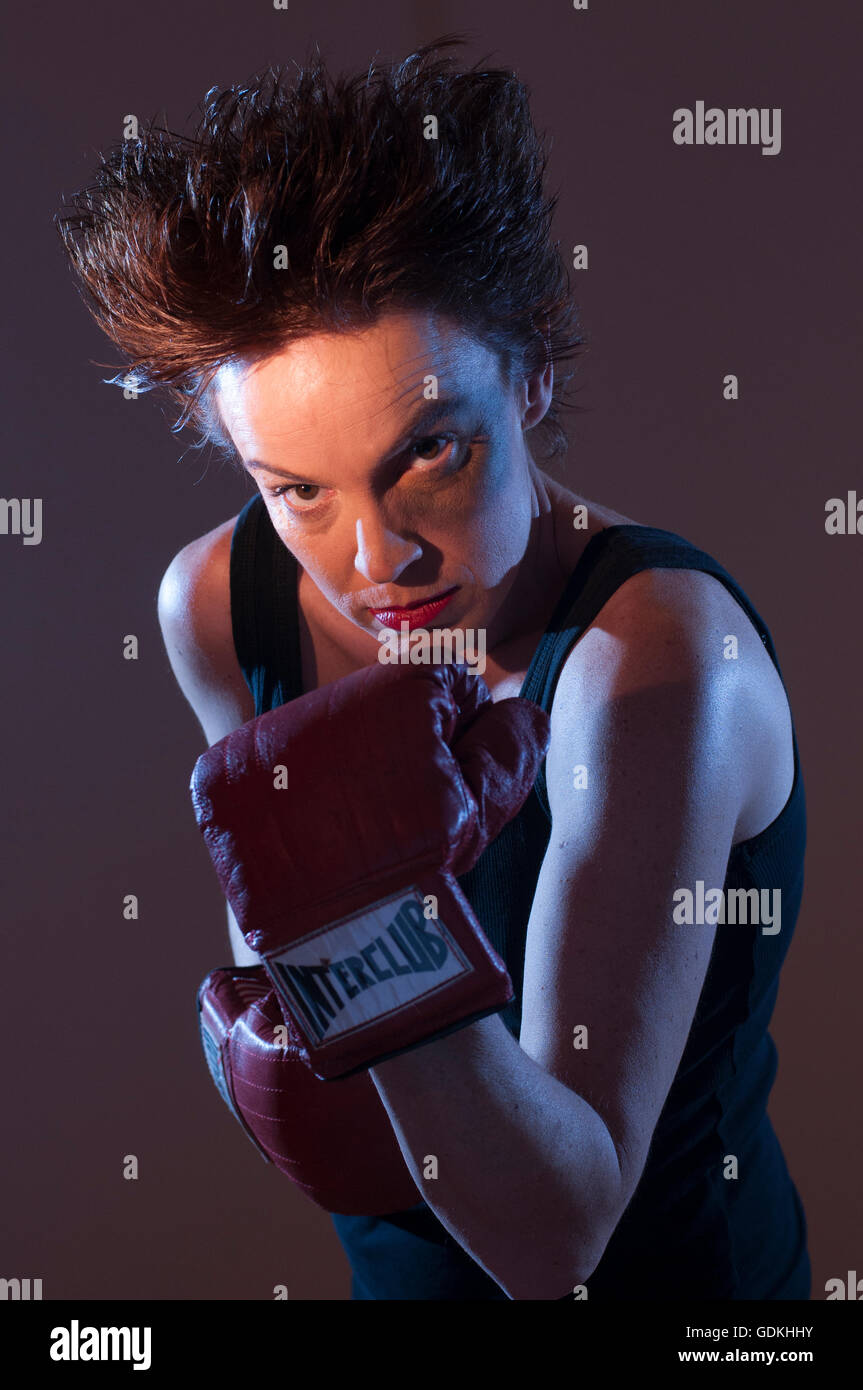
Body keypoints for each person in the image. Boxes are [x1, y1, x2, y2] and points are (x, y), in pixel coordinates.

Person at [56, 38, 810, 1301]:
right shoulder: (217, 605)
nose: (375, 561)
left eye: (428, 455)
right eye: (297, 489)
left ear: (528, 378)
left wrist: (365, 924)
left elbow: (551, 1237)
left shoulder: (655, 661)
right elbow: (309, 1045)